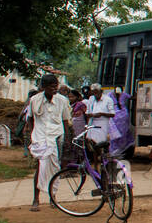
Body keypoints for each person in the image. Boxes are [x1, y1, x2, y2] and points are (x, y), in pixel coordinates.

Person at [23, 74, 72, 211]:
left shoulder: (62, 101)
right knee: (41, 168)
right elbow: (30, 119)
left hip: (56, 138)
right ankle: (36, 199)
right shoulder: (34, 100)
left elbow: (65, 121)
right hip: (40, 139)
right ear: (43, 87)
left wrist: (67, 140)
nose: (54, 89)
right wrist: (32, 136)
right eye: (51, 87)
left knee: (55, 168)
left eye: (56, 86)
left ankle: (53, 197)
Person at [84, 83, 117, 171]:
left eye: (96, 92)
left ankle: (105, 166)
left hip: (103, 125)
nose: (95, 95)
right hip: (93, 124)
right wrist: (90, 115)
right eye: (93, 93)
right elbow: (87, 112)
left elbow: (112, 114)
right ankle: (96, 167)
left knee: (102, 146)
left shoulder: (108, 100)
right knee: (94, 146)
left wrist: (101, 114)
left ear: (101, 91)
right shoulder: (91, 99)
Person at [108, 87, 134, 158]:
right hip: (124, 116)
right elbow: (132, 97)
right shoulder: (124, 94)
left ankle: (115, 152)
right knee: (124, 134)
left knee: (115, 135)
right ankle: (123, 149)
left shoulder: (110, 95)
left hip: (115, 117)